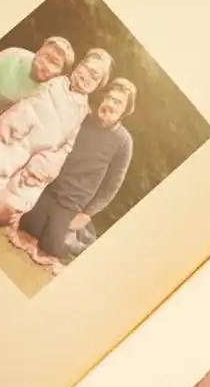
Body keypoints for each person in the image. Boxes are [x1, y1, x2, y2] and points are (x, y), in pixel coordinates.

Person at [0, 49, 112, 216]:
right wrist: (14, 126)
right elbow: (27, 104)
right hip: (15, 134)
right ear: (79, 66)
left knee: (9, 199)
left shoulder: (82, 111)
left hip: (34, 155)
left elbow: (65, 146)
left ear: (97, 85)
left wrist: (43, 165)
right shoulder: (55, 82)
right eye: (87, 68)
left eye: (95, 77)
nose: (87, 77)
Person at [19, 77, 137, 262]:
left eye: (117, 102)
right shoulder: (84, 116)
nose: (110, 104)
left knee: (53, 246)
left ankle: (82, 238)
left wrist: (86, 214)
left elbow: (112, 185)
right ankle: (70, 231)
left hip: (73, 203)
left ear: (125, 111)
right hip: (49, 188)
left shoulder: (124, 141)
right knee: (28, 224)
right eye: (109, 98)